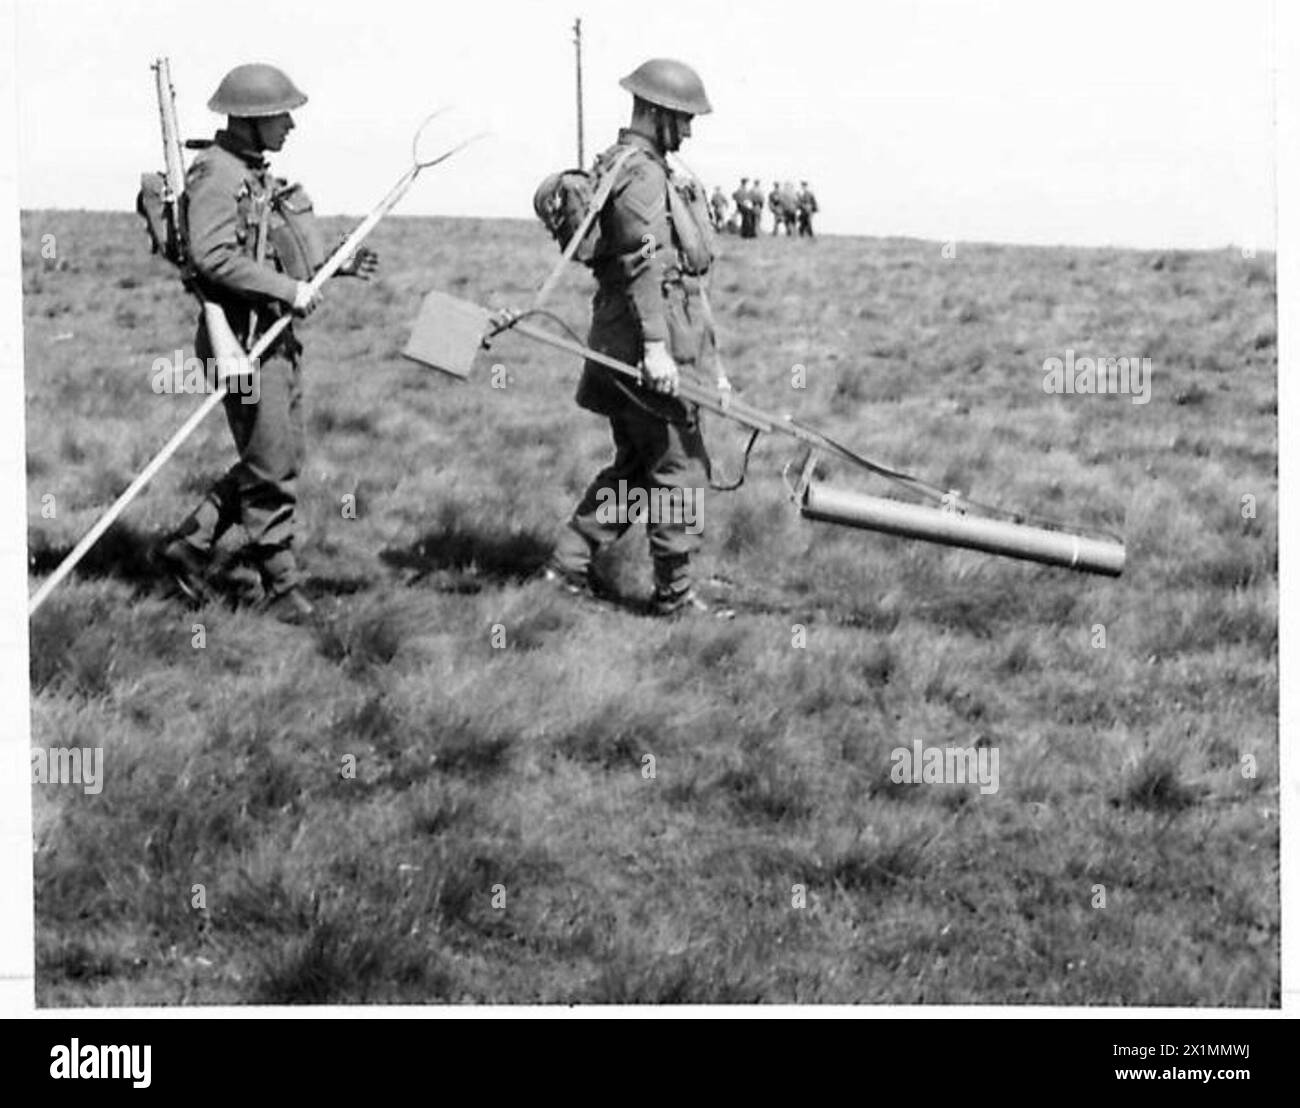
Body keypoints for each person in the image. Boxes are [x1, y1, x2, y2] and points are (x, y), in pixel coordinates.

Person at [154, 63, 377, 620]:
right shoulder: (219, 177)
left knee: (273, 456)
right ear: (252, 120)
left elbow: (260, 250)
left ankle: (189, 546)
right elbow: (212, 257)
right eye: (282, 116)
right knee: (271, 463)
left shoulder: (251, 174)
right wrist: (289, 289)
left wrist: (332, 269)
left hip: (273, 338)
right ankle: (280, 585)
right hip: (242, 341)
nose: (290, 127)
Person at [546, 58, 730, 617]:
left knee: (637, 466)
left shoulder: (633, 166)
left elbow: (686, 281)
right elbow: (643, 265)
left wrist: (711, 364)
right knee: (680, 471)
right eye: (682, 118)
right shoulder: (643, 175)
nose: (690, 130)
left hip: (644, 342)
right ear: (654, 113)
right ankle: (675, 597)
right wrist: (655, 348)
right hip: (645, 348)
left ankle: (568, 563)